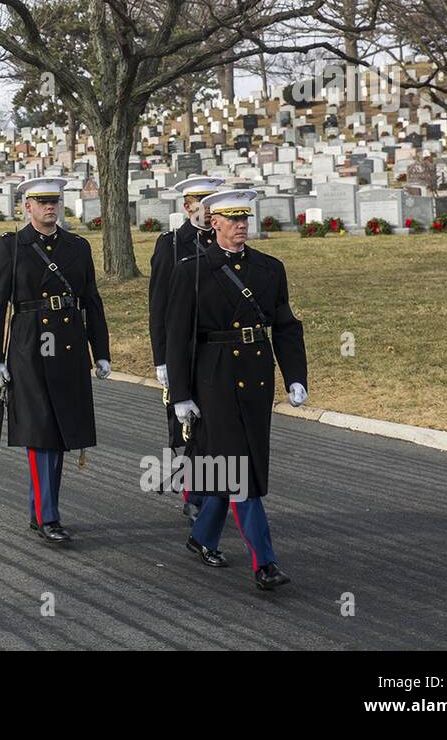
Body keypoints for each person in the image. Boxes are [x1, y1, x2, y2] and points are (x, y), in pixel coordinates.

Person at [165, 188, 309, 591]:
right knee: (240, 471)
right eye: (233, 219)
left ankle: (203, 537)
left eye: (245, 218)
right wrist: (180, 394)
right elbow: (178, 338)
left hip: (256, 379)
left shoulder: (269, 268)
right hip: (214, 379)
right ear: (215, 223)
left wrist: (296, 376)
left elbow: (285, 325)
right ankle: (265, 562)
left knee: (234, 465)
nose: (242, 225)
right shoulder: (192, 270)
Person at [0, 177, 111, 543]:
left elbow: (92, 302)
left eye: (55, 201)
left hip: (68, 346)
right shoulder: (11, 248)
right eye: (42, 202)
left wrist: (100, 351)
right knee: (40, 432)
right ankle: (47, 516)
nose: (50, 207)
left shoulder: (78, 247)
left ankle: (41, 510)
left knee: (59, 433)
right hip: (29, 346)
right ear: (27, 207)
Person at [148, 175, 223, 519]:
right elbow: (159, 306)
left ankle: (211, 497)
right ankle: (195, 498)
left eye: (212, 202)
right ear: (187, 206)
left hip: (217, 351)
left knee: (217, 427)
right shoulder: (172, 245)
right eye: (200, 202)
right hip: (185, 351)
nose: (207, 209)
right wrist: (161, 357)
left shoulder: (223, 246)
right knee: (188, 427)